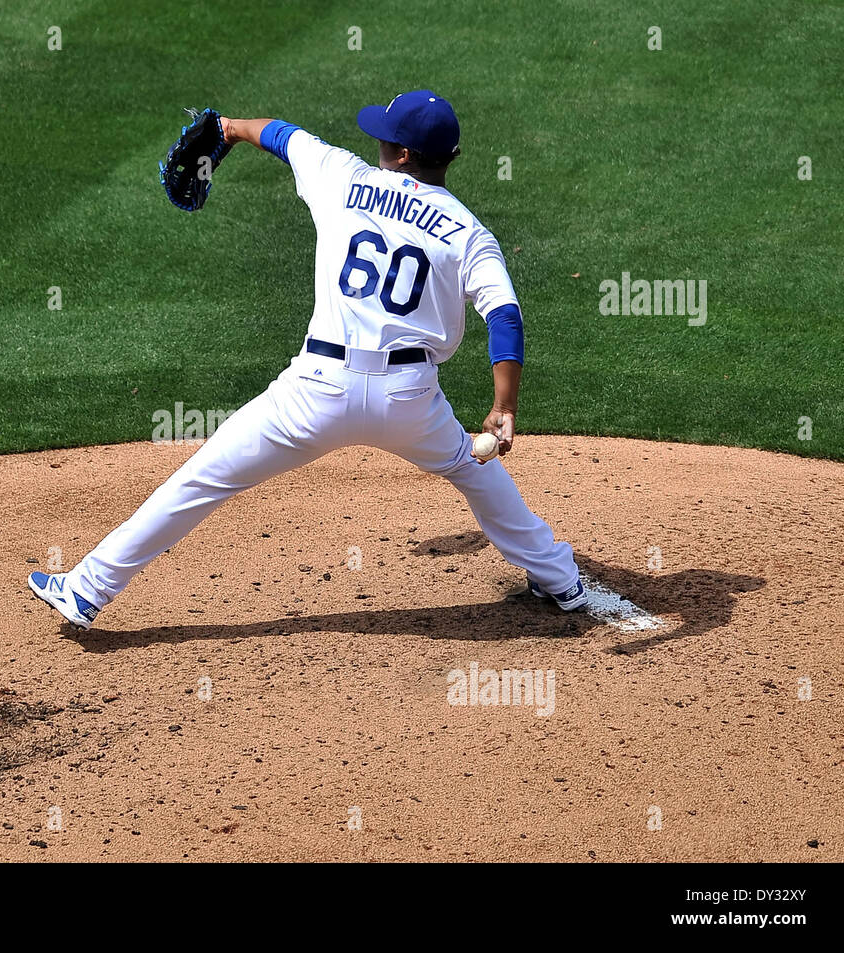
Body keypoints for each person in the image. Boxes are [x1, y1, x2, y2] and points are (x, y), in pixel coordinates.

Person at [29, 89, 586, 629]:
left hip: (318, 390)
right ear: (452, 157)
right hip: (409, 400)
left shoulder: (342, 176)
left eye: (385, 138)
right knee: (473, 469)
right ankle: (559, 577)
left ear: (401, 154)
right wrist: (503, 406)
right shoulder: (470, 234)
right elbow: (505, 316)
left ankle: (87, 588)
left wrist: (226, 129)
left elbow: (281, 136)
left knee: (203, 478)